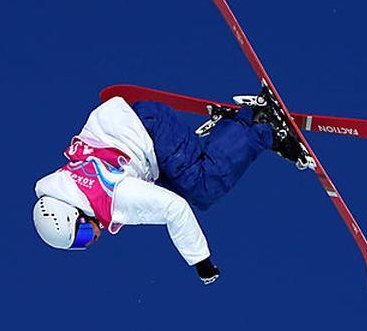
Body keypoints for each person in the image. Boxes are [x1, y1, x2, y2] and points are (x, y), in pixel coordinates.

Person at [32, 93, 301, 284]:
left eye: (84, 233)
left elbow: (174, 210)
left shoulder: (110, 197)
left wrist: (201, 263)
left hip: (150, 131)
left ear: (74, 212)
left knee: (204, 185)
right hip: (138, 132)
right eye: (82, 244)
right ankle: (234, 130)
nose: (92, 238)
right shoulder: (67, 184)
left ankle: (262, 123)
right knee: (194, 190)